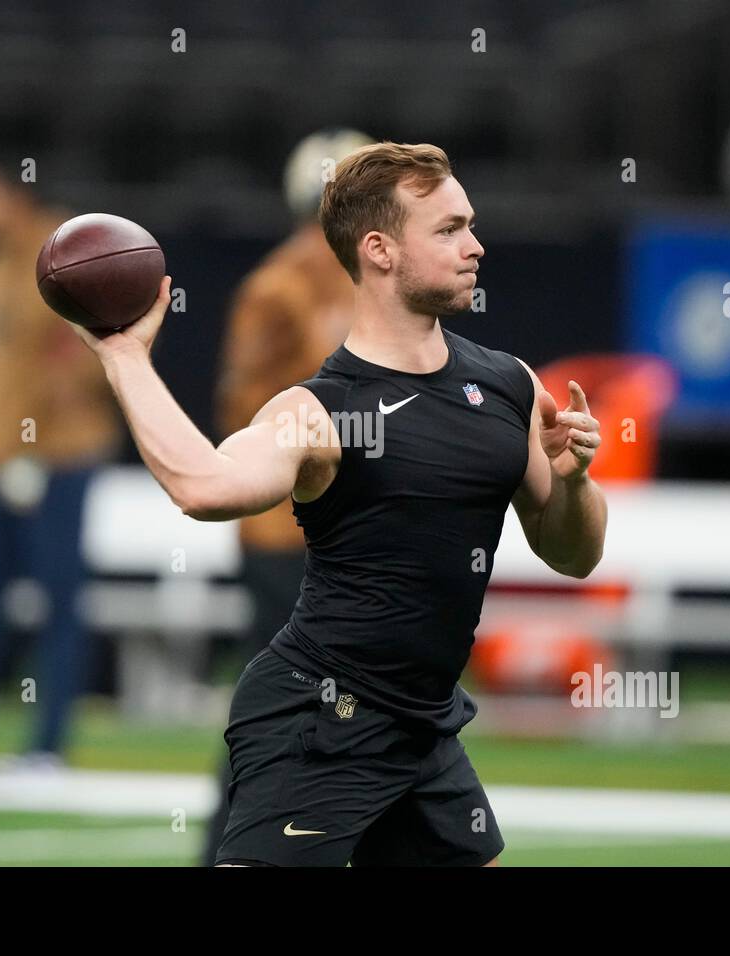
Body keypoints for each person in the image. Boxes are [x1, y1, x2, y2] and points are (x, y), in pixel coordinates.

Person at [68, 142, 607, 866]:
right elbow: (202, 485)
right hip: (316, 723)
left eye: (470, 224)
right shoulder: (321, 411)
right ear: (379, 250)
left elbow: (574, 553)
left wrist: (572, 482)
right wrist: (125, 357)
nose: (475, 245)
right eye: (448, 230)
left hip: (427, 731)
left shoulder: (508, 384)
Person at [199, 128, 369, 865]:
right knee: (286, 702)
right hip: (282, 533)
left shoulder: (362, 281)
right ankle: (227, 847)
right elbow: (242, 411)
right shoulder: (281, 286)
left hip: (338, 532)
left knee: (345, 708)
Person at [0, 166, 123, 764]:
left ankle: (48, 746)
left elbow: (97, 340)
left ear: (12, 197)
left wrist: (40, 421)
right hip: (2, 460)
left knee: (58, 602)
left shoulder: (63, 249)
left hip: (59, 457)